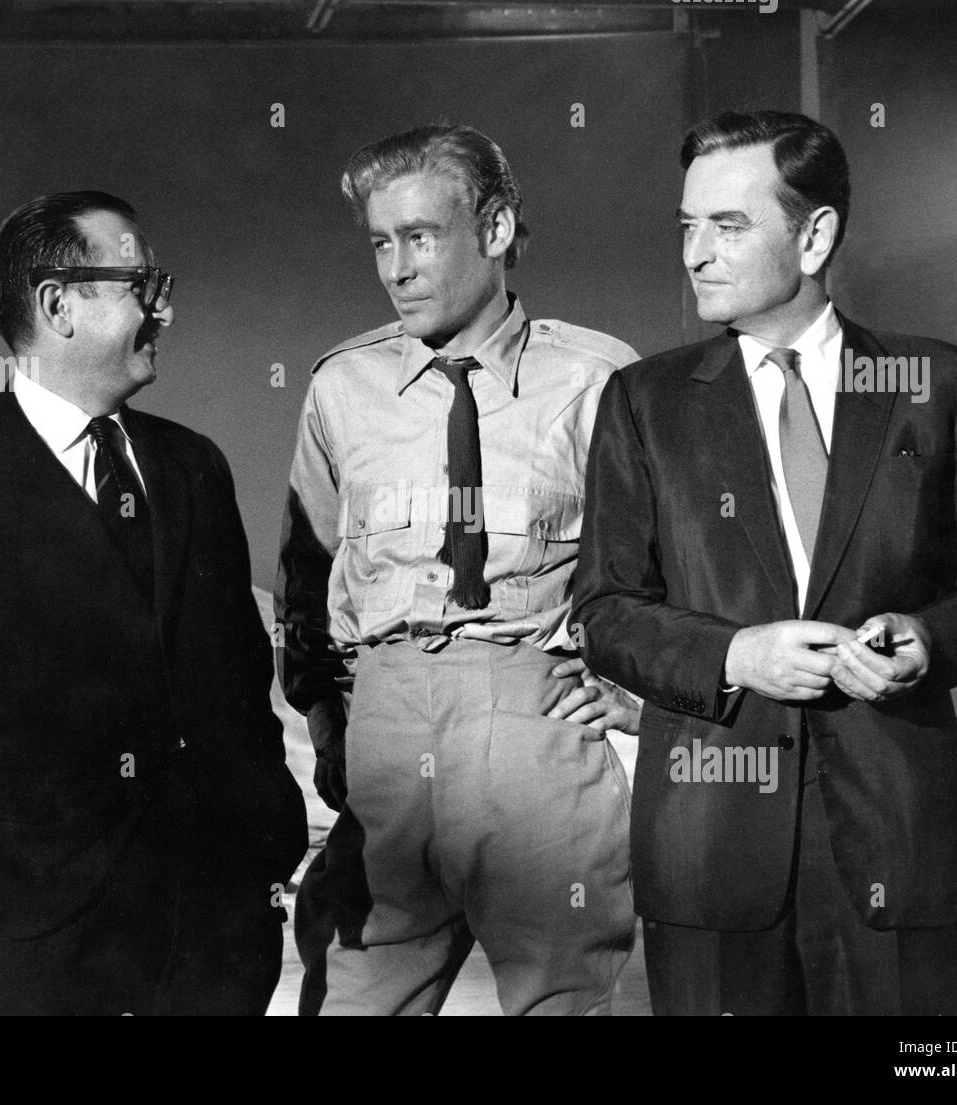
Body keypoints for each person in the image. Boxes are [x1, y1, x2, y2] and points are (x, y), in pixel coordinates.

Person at [572, 110, 957, 1016]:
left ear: (815, 234)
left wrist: (924, 639)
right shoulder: (645, 402)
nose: (695, 253)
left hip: (898, 843)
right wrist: (738, 656)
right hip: (710, 856)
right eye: (686, 227)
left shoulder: (936, 384)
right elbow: (605, 609)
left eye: (728, 225)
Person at [0, 190, 306, 1015]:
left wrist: (267, 843)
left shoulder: (196, 466)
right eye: (143, 284)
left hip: (215, 935)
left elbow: (236, 689)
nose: (165, 308)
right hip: (29, 951)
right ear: (57, 304)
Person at [276, 124, 640, 1016]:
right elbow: (306, 578)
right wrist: (329, 720)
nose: (396, 268)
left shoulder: (599, 381)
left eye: (421, 237)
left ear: (498, 228)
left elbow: (665, 571)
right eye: (380, 243)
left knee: (566, 999)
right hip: (389, 736)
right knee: (354, 990)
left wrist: (635, 694)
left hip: (539, 731)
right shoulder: (341, 388)